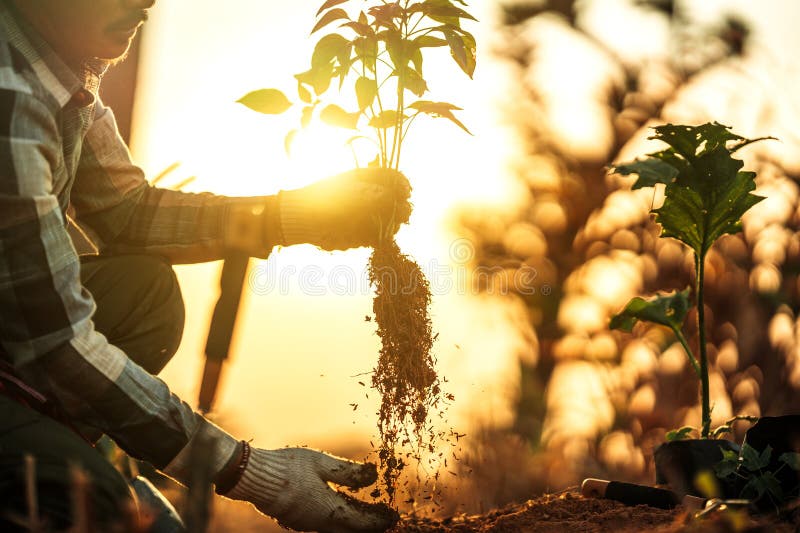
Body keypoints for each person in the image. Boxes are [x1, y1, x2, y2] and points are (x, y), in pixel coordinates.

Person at [0, 0, 409, 531]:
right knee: (108, 511)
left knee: (144, 294)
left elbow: (126, 211)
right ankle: (50, 466)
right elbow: (58, 341)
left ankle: (48, 435)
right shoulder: (12, 96)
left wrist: (287, 218)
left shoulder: (56, 69)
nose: (145, 2)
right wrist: (253, 472)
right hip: (36, 344)